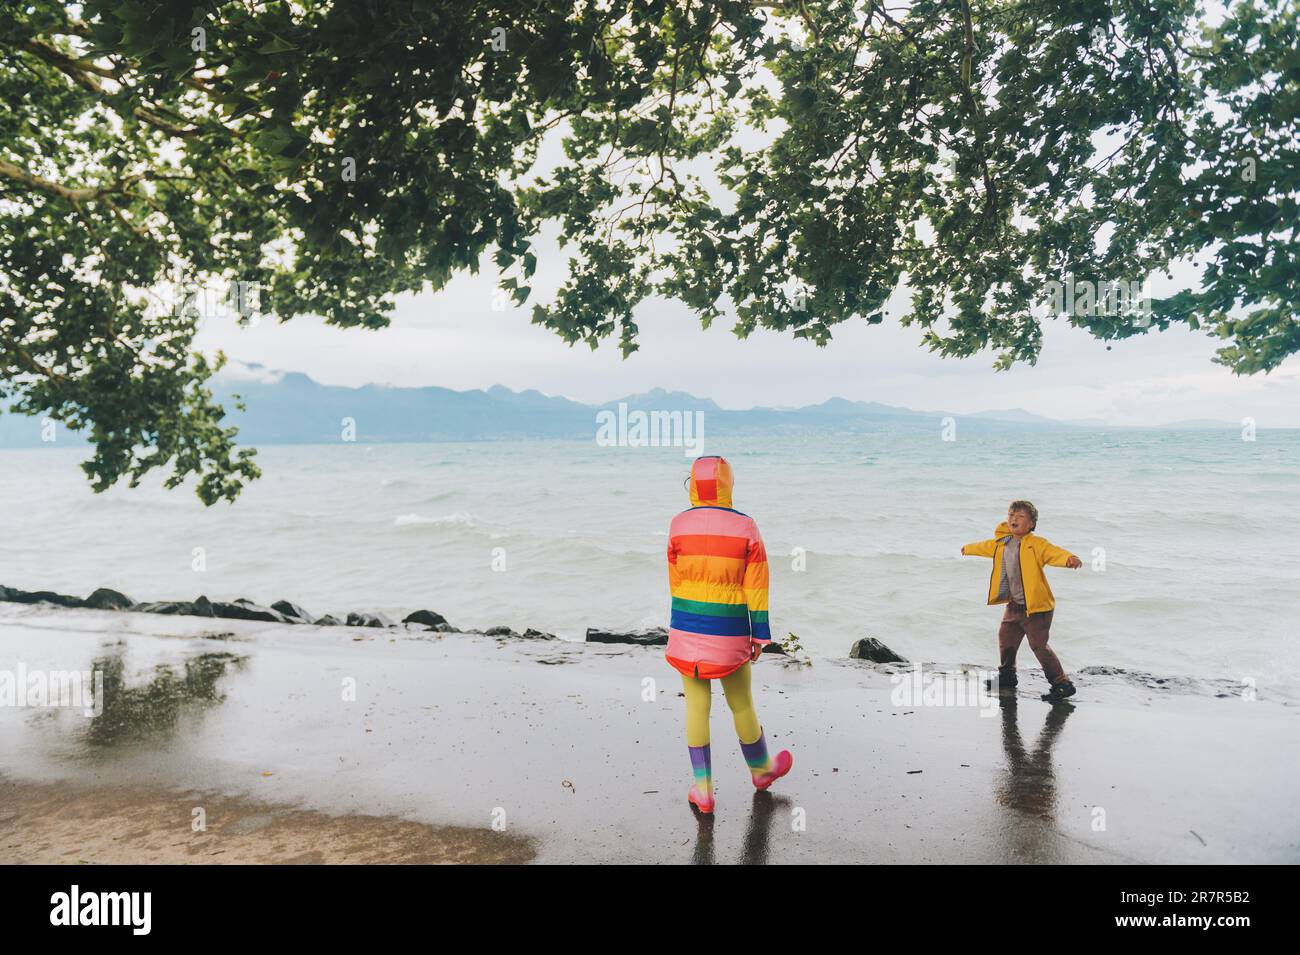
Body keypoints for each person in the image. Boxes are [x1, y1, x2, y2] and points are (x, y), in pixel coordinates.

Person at [666, 455, 792, 814]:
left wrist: (682, 623)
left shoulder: (677, 525)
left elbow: (675, 582)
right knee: (741, 703)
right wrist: (759, 634)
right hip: (730, 631)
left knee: (695, 707)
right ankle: (762, 770)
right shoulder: (746, 526)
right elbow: (758, 584)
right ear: (727, 485)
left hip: (687, 627)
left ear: (693, 485)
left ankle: (703, 790)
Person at [960, 500, 1083, 702]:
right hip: (1014, 605)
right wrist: (968, 548)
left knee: (1039, 646)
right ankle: (1007, 676)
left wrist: (1069, 558)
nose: (1013, 519)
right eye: (1010, 515)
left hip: (1037, 608)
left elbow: (1053, 552)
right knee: (1006, 638)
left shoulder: (1037, 544)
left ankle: (1062, 684)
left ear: (1031, 524)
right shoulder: (1002, 543)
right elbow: (984, 547)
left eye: (1020, 517)